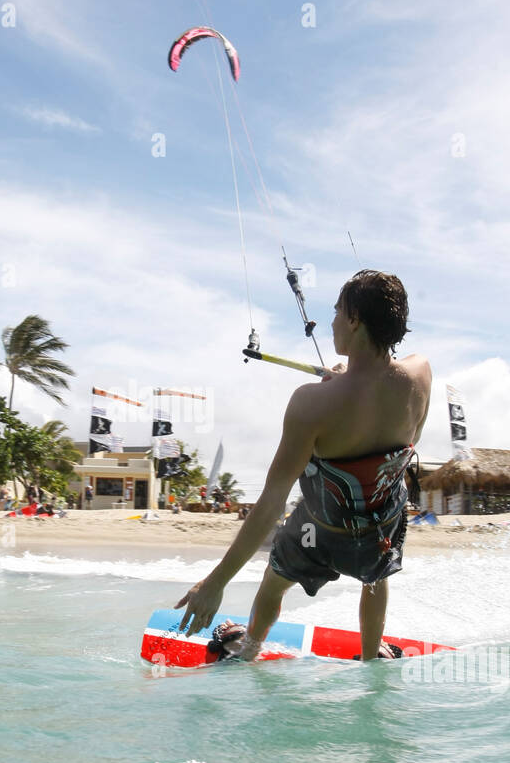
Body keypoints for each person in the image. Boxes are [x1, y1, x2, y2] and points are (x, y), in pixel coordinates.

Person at [175, 271, 431, 662]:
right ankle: (369, 657)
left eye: (336, 312)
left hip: (320, 532)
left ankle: (250, 649)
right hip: (381, 527)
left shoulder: (311, 404)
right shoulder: (421, 375)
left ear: (355, 320)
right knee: (375, 580)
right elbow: (383, 405)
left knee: (274, 582)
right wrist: (353, 376)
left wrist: (215, 583)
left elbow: (272, 502)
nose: (330, 322)